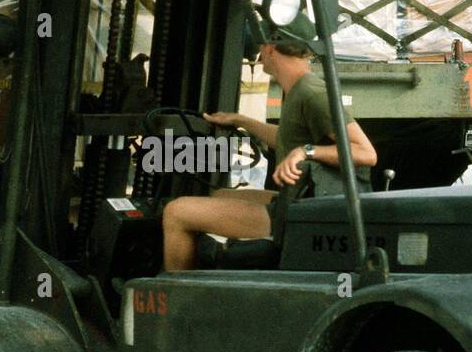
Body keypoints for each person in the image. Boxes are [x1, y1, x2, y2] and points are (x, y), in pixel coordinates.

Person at [161, 38, 377, 271]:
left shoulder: (312, 93)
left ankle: (172, 299)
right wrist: (239, 120)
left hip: (303, 214)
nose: (258, 53)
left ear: (270, 48)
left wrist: (305, 152)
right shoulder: (296, 88)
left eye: (260, 47)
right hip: (297, 201)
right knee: (220, 195)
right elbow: (287, 138)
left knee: (176, 212)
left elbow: (366, 153)